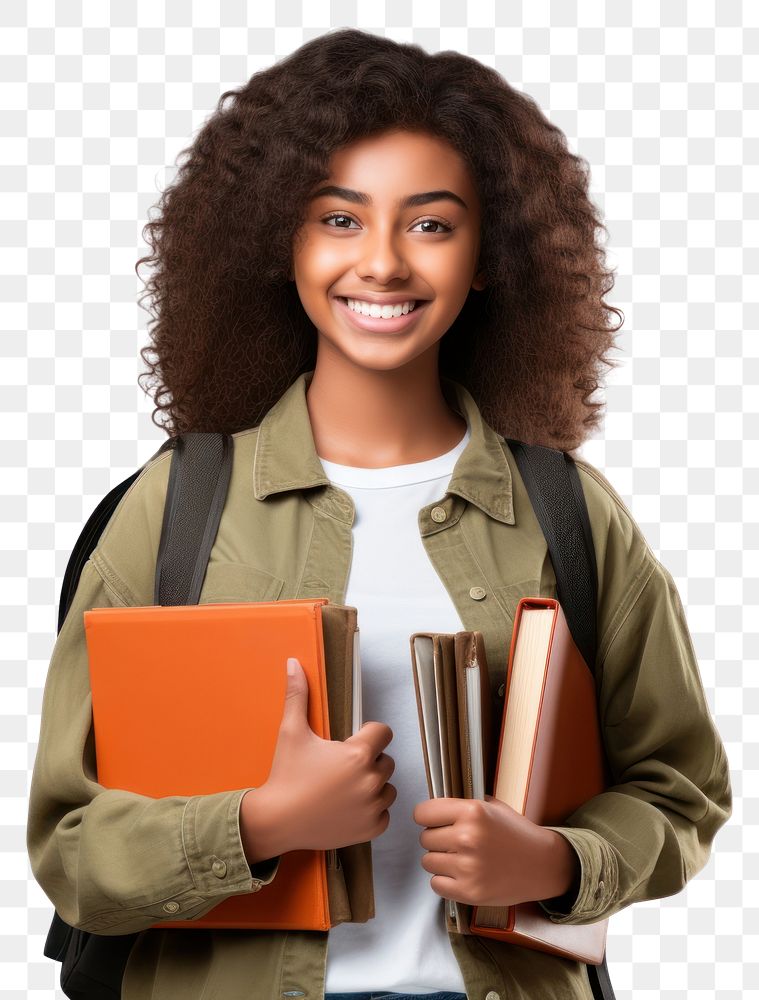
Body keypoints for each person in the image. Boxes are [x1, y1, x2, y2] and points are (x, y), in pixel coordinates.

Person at [26, 27, 732, 1000]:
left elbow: (680, 788)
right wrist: (260, 823)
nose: (386, 262)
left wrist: (556, 863)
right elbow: (70, 849)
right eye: (341, 219)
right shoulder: (175, 507)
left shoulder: (567, 508)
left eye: (432, 223)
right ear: (282, 240)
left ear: (490, 255)